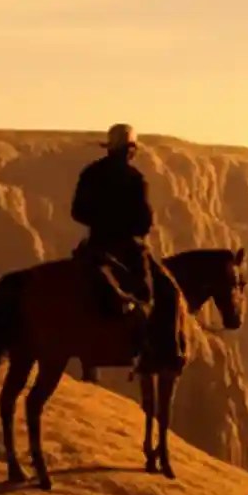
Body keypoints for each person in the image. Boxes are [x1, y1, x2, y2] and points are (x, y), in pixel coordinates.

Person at [71, 123, 181, 381]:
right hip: (127, 248)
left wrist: (101, 221)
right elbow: (144, 222)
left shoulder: (90, 174)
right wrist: (126, 226)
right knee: (159, 291)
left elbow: (77, 212)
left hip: (96, 244)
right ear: (130, 150)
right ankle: (155, 351)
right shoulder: (135, 179)